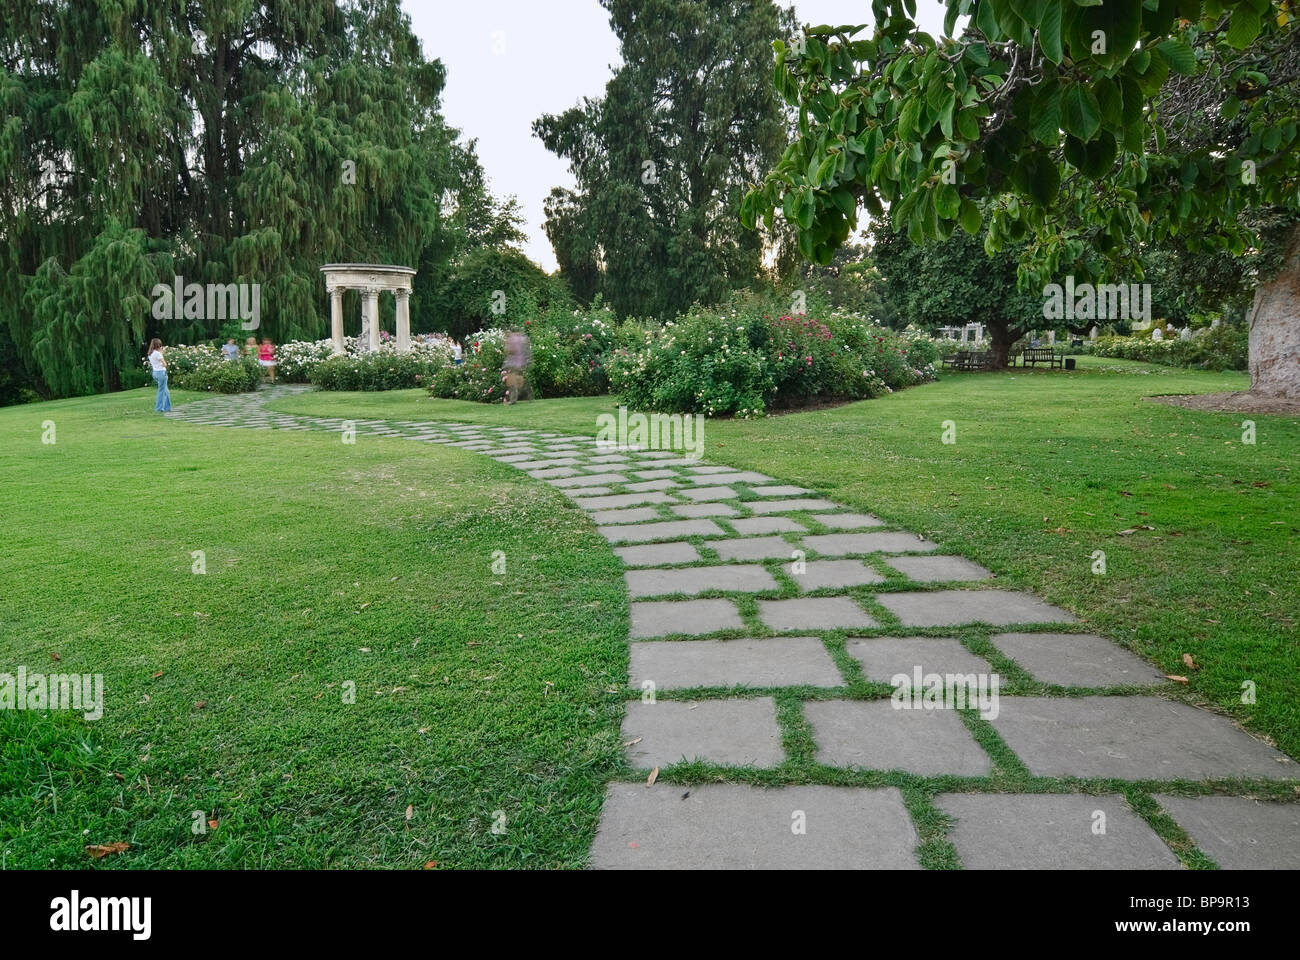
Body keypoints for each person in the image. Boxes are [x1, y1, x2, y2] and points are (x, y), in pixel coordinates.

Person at [503, 328, 531, 404]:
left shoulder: (512, 339)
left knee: (512, 382)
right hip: (520, 362)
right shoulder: (521, 338)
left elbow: (510, 350)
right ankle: (528, 394)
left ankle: (513, 400)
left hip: (514, 363)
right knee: (518, 380)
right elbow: (526, 350)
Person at [147, 338, 171, 412]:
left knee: (166, 391)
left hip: (155, 373)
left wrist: (161, 354)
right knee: (161, 391)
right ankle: (159, 408)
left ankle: (167, 408)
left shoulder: (150, 353)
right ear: (159, 345)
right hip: (161, 373)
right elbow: (164, 364)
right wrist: (161, 354)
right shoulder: (158, 354)